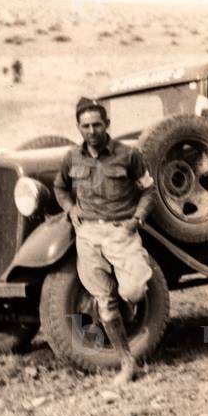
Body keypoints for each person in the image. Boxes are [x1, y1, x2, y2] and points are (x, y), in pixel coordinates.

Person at [54, 96, 155, 382]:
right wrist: (70, 209)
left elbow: (148, 190)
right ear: (78, 127)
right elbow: (60, 187)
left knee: (133, 291)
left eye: (97, 124)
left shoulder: (128, 154)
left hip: (121, 232)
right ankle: (127, 363)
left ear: (107, 124)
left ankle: (128, 302)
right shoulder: (72, 158)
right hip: (88, 235)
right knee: (103, 301)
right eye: (85, 126)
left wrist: (136, 220)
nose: (91, 131)